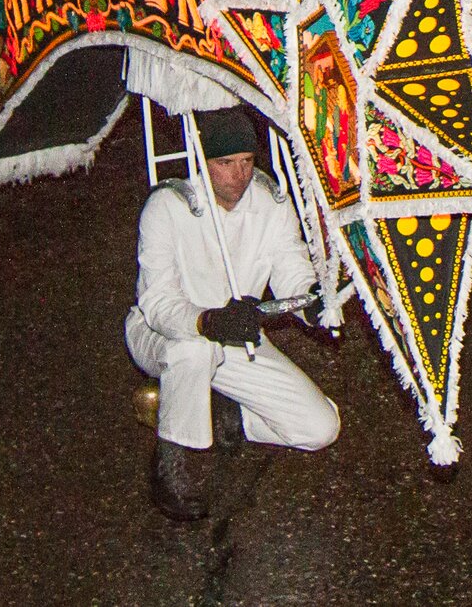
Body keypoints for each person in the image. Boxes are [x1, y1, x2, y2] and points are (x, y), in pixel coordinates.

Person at [124, 106, 340, 522]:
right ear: (202, 159)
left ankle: (222, 411)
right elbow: (158, 302)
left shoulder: (270, 202)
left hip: (236, 336)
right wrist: (205, 320)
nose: (239, 175)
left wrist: (312, 301)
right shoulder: (168, 205)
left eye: (246, 161)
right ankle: (173, 465)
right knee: (194, 352)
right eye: (225, 163)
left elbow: (291, 269)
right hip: (166, 334)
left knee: (320, 428)